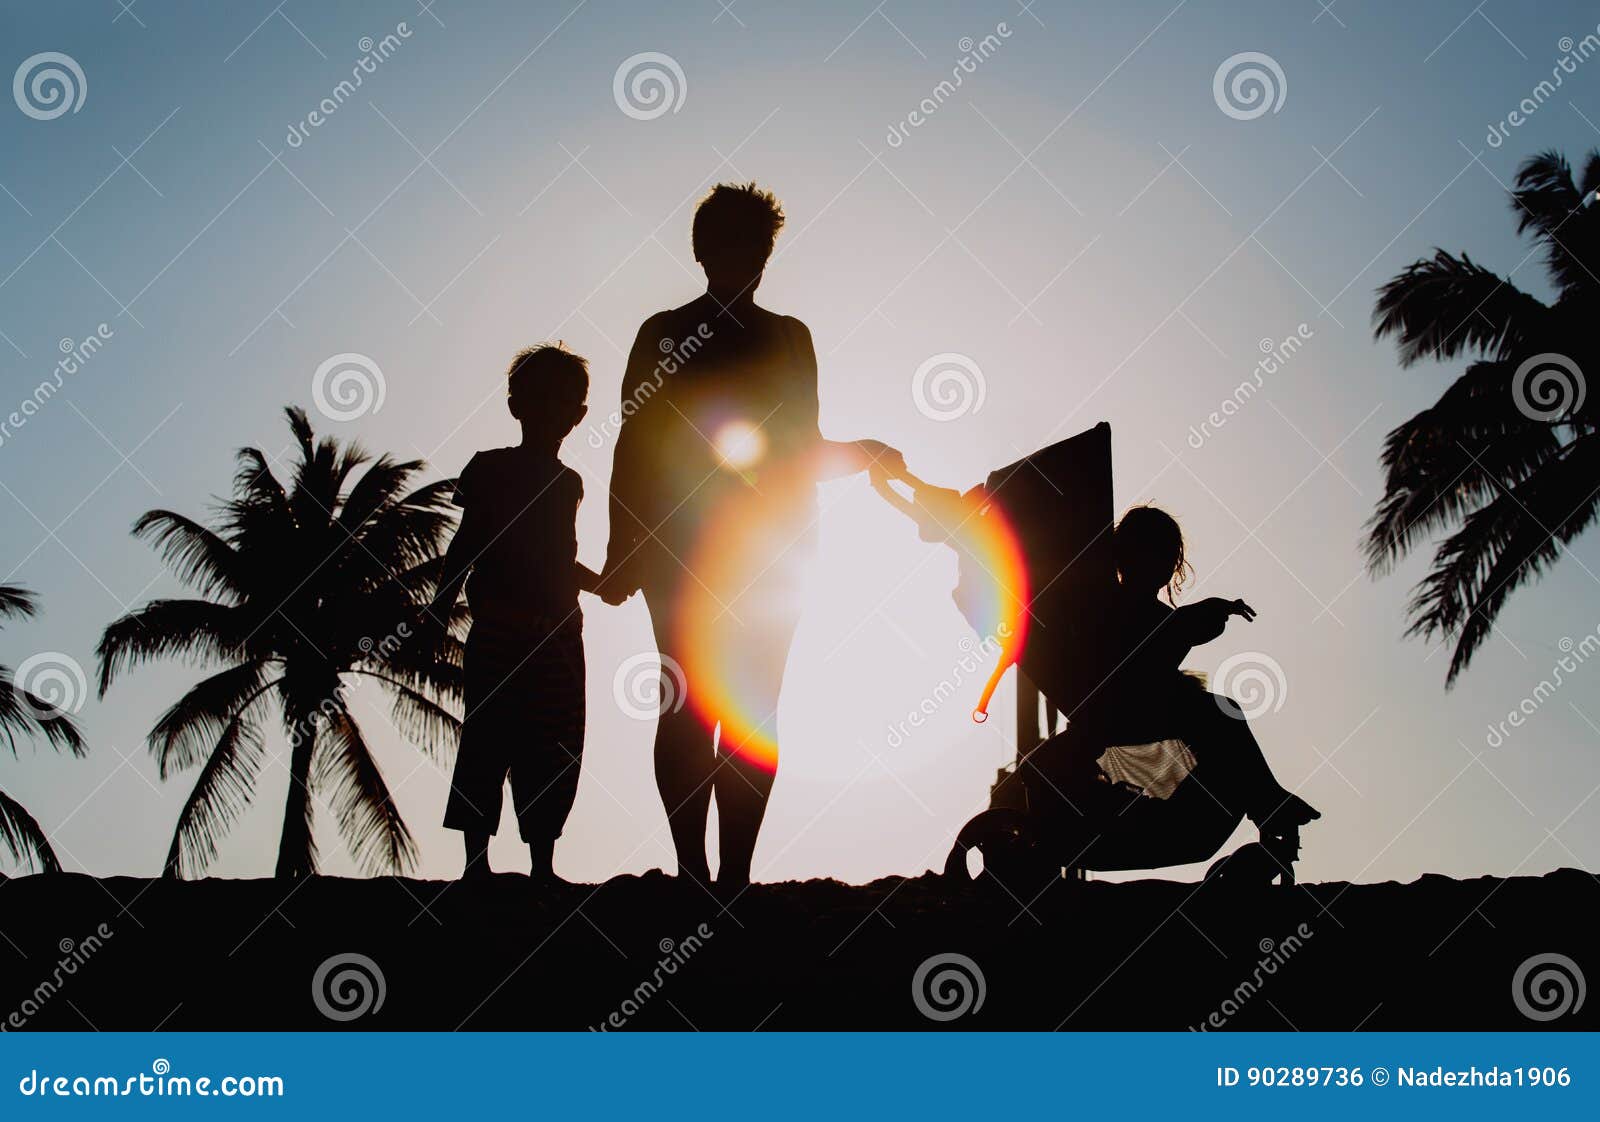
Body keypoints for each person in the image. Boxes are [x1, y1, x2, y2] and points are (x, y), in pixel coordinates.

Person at [599, 182, 905, 887]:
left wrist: (864, 453)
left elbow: (800, 450)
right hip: (682, 549)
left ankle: (729, 875)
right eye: (737, 245)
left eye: (758, 247)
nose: (749, 259)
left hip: (777, 554)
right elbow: (634, 447)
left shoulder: (791, 339)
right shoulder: (664, 334)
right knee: (689, 705)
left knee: (752, 710)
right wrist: (623, 545)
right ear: (704, 252)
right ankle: (692, 869)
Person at [424, 344, 612, 882]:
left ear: (578, 415)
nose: (555, 411)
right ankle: (476, 864)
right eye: (542, 399)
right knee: (487, 740)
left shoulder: (569, 483)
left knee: (553, 744)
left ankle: (541, 865)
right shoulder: (490, 469)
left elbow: (558, 559)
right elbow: (469, 540)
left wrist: (598, 584)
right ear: (517, 406)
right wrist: (442, 602)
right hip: (501, 627)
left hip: (558, 632)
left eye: (567, 402)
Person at [1095, 504, 1320, 837]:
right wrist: (1207, 613)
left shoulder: (1155, 613)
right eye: (1159, 552)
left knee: (1225, 716)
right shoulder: (1111, 605)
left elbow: (1179, 628)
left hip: (1150, 710)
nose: (1168, 563)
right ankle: (1267, 801)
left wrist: (1211, 613)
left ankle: (1265, 800)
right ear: (1132, 555)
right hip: (1124, 710)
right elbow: (1164, 636)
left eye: (1170, 555)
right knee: (1220, 715)